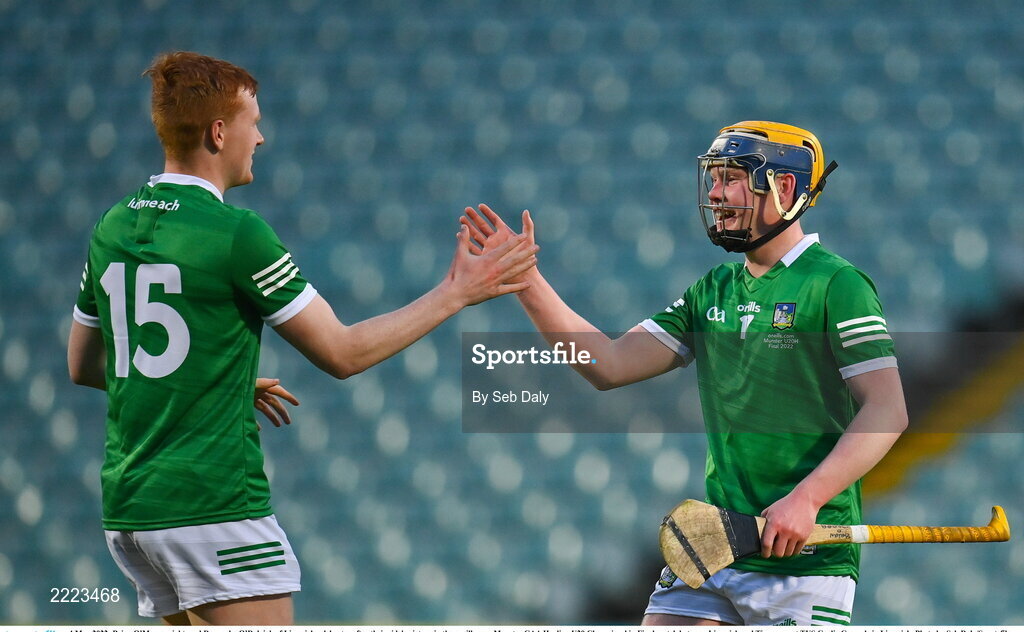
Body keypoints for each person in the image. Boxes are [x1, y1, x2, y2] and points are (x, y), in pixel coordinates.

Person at [66, 51, 537, 626]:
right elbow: (342, 353)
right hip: (212, 505)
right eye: (253, 122)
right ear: (218, 132)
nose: (260, 138)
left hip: (131, 512)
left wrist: (212, 382)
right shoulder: (238, 234)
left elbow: (86, 365)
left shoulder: (112, 225)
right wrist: (457, 292)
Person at [461, 121, 908, 626]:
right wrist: (527, 281)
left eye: (732, 178)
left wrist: (807, 499)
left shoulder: (837, 285)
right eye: (713, 178)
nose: (715, 194)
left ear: (785, 188)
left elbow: (888, 410)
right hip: (715, 546)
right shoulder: (713, 290)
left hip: (804, 563)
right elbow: (607, 364)